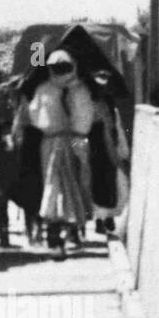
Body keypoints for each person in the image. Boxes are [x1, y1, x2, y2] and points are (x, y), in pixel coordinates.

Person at [12, 49, 95, 258]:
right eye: (57, 68)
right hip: (50, 143)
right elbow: (32, 116)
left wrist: (79, 142)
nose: (61, 72)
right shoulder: (43, 90)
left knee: (75, 186)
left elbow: (85, 117)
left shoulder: (80, 90)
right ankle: (54, 237)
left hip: (75, 141)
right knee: (54, 186)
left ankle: (73, 230)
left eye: (64, 67)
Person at [90, 70, 130, 237]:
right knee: (96, 182)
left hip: (109, 149)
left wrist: (121, 148)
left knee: (111, 182)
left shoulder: (111, 109)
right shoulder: (88, 105)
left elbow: (118, 128)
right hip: (93, 146)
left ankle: (107, 216)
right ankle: (100, 218)